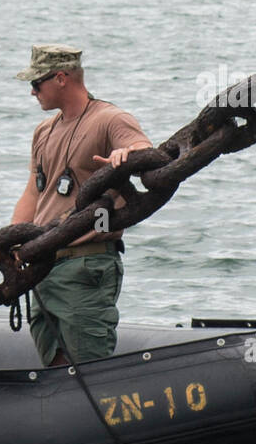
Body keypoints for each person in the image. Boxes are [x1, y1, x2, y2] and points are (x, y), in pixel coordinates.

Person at [9, 44, 152, 367]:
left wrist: (126, 155)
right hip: (44, 270)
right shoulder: (44, 131)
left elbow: (144, 149)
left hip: (85, 267)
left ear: (61, 78)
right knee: (56, 364)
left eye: (36, 83)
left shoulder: (110, 119)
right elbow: (34, 192)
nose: (32, 92)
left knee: (88, 367)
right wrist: (11, 242)